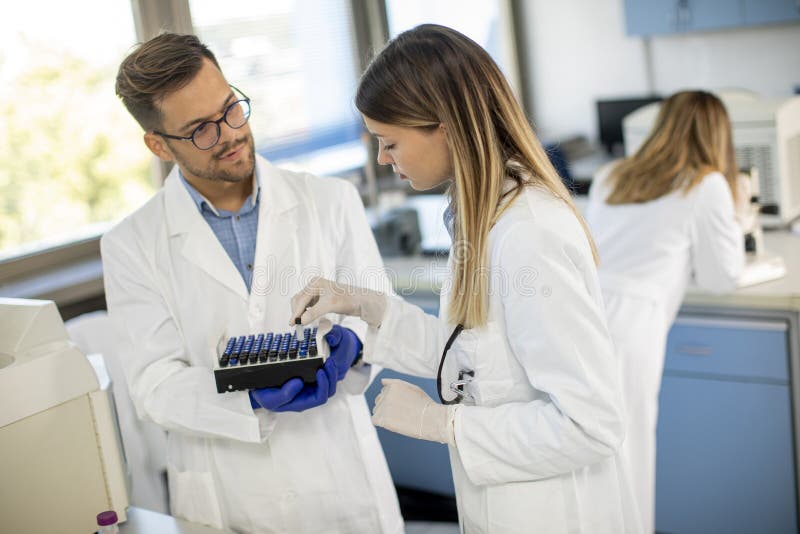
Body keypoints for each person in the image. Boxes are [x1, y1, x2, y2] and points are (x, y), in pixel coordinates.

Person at [291, 24, 640, 533]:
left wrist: (444, 423)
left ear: (446, 127)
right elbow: (478, 357)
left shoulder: (528, 234)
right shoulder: (482, 214)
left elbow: (592, 425)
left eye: (389, 142)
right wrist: (369, 305)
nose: (383, 160)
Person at [102, 33, 403, 533]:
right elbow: (153, 385)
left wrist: (357, 343)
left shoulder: (330, 201)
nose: (229, 133)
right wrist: (246, 396)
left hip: (341, 484)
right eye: (200, 130)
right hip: (228, 498)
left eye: (231, 109)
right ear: (158, 144)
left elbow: (379, 317)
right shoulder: (131, 245)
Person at [585, 90, 745, 533]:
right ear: (718, 136)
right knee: (629, 454)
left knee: (591, 453)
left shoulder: (611, 175)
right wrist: (738, 213)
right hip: (632, 328)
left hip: (583, 314)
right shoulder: (706, 183)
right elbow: (721, 277)